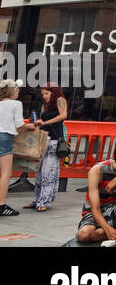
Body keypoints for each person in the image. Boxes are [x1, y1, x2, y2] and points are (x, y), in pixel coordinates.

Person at [76, 138, 116, 244]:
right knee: (84, 235)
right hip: (96, 212)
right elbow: (95, 208)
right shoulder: (97, 171)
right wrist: (108, 230)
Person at [30, 84, 68, 212]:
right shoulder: (45, 105)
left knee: (49, 171)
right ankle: (37, 200)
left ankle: (44, 201)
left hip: (54, 139)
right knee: (40, 171)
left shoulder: (60, 100)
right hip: (44, 138)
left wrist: (45, 122)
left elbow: (63, 116)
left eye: (46, 93)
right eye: (43, 94)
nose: (44, 96)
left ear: (53, 92)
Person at [0, 80, 31, 217]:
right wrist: (31, 126)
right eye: (17, 90)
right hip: (5, 137)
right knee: (6, 173)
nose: (18, 92)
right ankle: (1, 205)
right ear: (12, 91)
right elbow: (19, 124)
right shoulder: (16, 104)